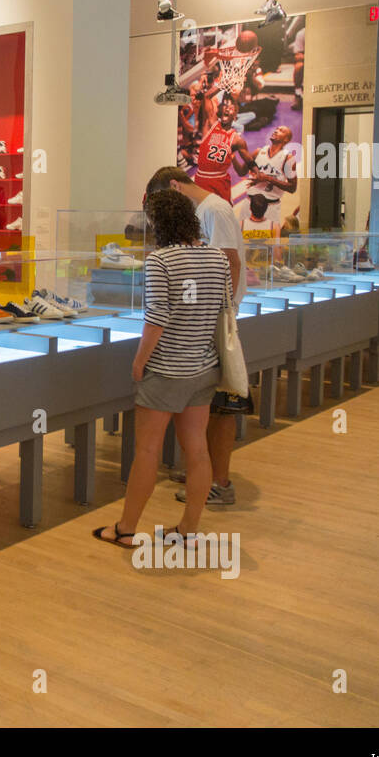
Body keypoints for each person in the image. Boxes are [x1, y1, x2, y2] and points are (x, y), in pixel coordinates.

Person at [93, 189, 230, 548]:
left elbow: (156, 317)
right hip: (203, 366)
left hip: (166, 369)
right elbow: (224, 309)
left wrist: (139, 362)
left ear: (158, 224)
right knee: (197, 450)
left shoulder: (160, 261)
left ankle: (126, 529)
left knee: (147, 451)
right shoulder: (217, 257)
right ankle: (188, 530)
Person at [145, 167, 251, 507]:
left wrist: (219, 312)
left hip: (216, 321)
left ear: (175, 186)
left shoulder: (214, 210)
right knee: (205, 402)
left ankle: (219, 482)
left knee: (221, 405)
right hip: (210, 319)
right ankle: (202, 470)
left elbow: (230, 263)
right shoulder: (208, 211)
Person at [192, 96, 258, 203]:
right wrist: (218, 87)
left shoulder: (237, 140)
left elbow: (249, 161)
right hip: (201, 178)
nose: (227, 109)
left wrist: (258, 174)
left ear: (235, 116)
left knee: (221, 210)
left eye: (231, 108)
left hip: (219, 181)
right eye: (225, 107)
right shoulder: (211, 125)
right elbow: (207, 98)